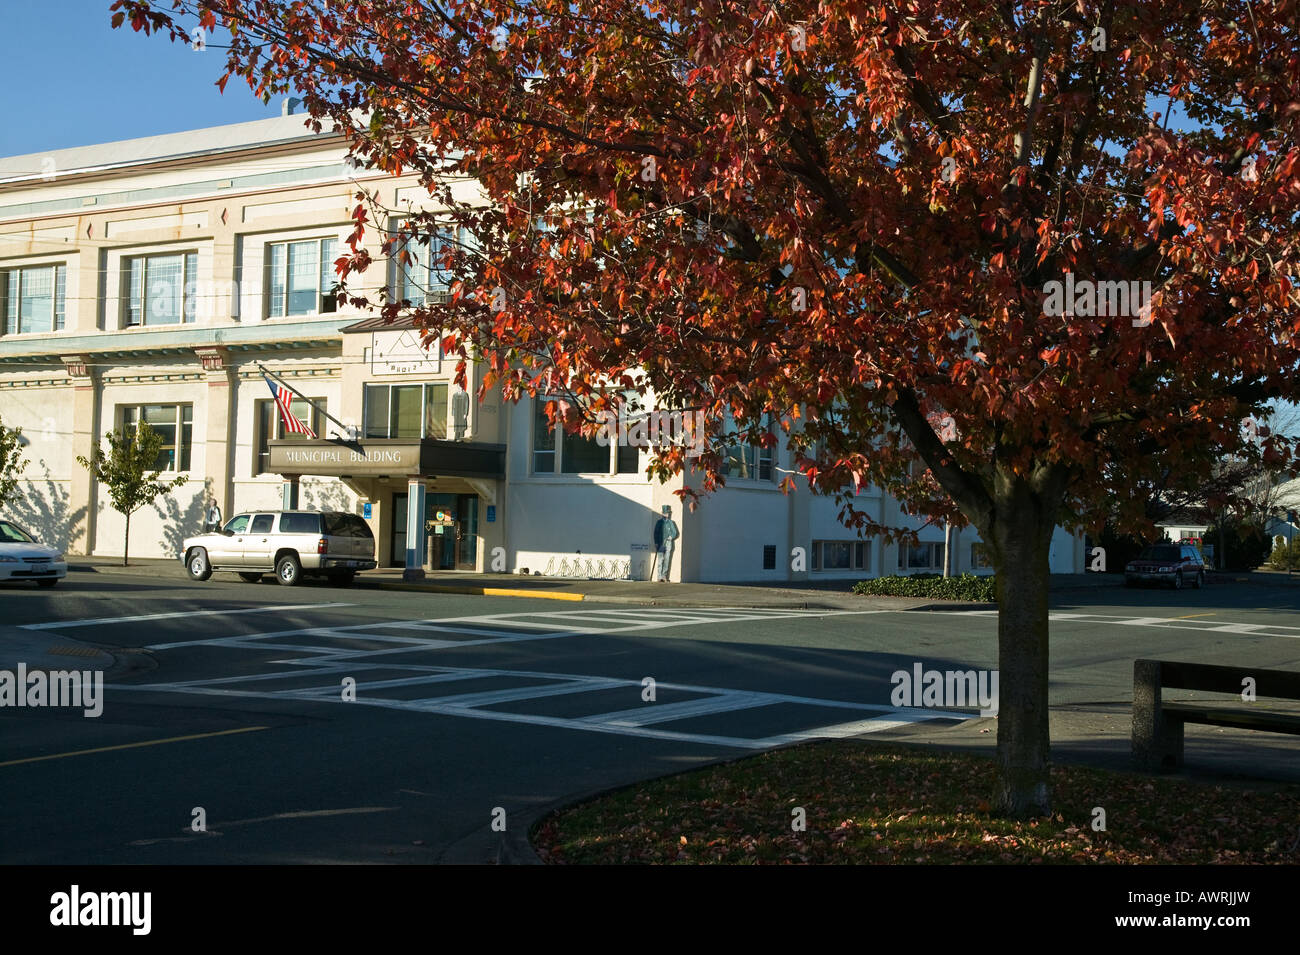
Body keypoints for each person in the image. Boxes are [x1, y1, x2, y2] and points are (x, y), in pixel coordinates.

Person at [652, 505, 679, 582]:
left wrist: (671, 537)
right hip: (660, 543)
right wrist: (656, 542)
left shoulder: (671, 522)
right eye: (665, 513)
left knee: (667, 559)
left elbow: (675, 532)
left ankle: (664, 576)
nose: (666, 514)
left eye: (667, 513)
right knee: (660, 560)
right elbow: (655, 533)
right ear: (662, 513)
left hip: (668, 543)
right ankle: (659, 576)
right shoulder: (659, 522)